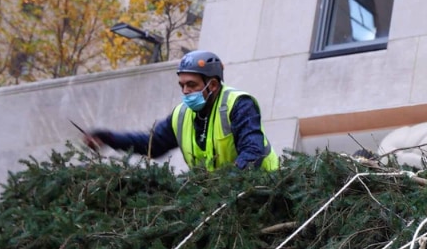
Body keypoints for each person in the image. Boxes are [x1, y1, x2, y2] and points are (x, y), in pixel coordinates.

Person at [84, 50, 281, 171]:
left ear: (212, 85)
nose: (186, 92)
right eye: (182, 85)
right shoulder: (181, 116)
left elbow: (252, 152)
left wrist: (225, 185)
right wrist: (108, 138)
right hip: (218, 201)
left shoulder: (239, 105)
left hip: (261, 193)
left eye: (192, 85)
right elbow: (152, 144)